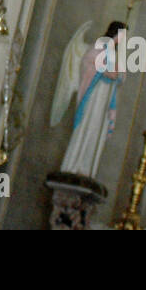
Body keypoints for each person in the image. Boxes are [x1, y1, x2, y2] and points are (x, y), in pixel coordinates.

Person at [54, 20, 126, 179]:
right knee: (87, 126)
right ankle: (74, 164)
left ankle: (86, 168)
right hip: (94, 96)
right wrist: (105, 71)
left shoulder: (114, 53)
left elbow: (120, 74)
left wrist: (118, 75)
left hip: (105, 100)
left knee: (96, 130)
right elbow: (88, 62)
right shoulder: (100, 46)